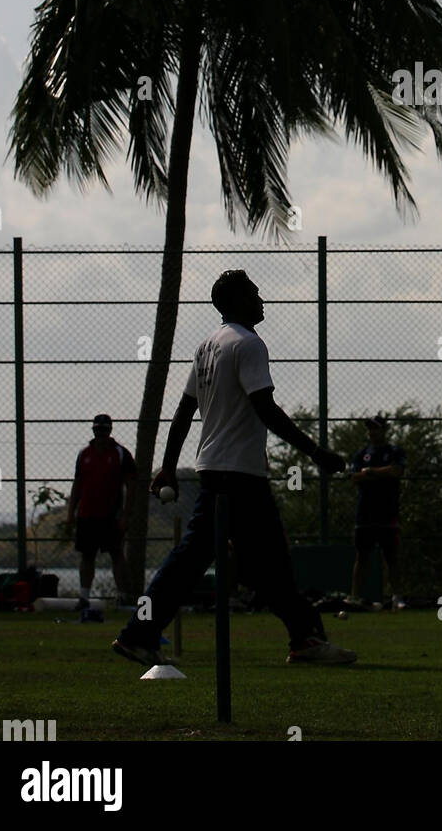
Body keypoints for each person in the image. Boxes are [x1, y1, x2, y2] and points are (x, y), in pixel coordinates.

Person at [112, 270, 356, 667]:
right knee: (259, 562)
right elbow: (266, 408)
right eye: (254, 294)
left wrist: (170, 467)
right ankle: (304, 637)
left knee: (229, 563)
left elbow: (184, 410)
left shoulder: (208, 345)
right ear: (236, 302)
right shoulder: (248, 345)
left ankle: (140, 633)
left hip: (213, 469)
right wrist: (315, 452)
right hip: (239, 474)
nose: (262, 300)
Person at [66, 413, 136, 606]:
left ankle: (122, 596)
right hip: (87, 515)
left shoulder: (121, 454)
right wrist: (71, 512)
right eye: (98, 430)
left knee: (117, 554)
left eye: (104, 430)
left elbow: (132, 486)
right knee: (87, 555)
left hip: (111, 516)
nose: (101, 434)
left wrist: (125, 515)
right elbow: (78, 484)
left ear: (110, 431)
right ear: (94, 430)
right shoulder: (84, 454)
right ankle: (84, 597)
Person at [347, 415, 406, 610]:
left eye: (376, 428)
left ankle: (397, 597)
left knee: (392, 557)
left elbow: (396, 472)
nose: (372, 432)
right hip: (365, 514)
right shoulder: (360, 453)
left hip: (388, 512)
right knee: (362, 557)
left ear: (384, 430)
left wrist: (371, 472)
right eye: (370, 429)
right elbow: (354, 478)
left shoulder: (394, 451)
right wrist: (379, 474)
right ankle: (355, 597)